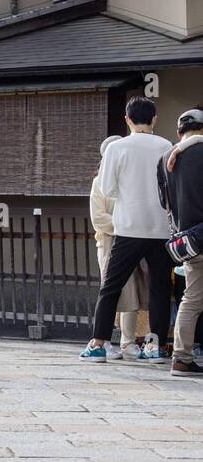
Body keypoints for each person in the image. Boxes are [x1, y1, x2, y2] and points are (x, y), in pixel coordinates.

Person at [82, 97, 174, 363]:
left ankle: (98, 344)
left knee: (111, 286)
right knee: (159, 288)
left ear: (127, 119)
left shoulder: (118, 148)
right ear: (154, 119)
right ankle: (155, 346)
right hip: (160, 228)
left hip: (128, 228)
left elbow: (108, 188)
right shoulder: (166, 146)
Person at [90, 136, 150, 359]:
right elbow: (98, 218)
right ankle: (102, 341)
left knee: (133, 293)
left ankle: (128, 342)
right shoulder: (98, 182)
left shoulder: (129, 181)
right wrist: (126, 225)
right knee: (112, 291)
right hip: (109, 242)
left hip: (130, 240)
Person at [163, 109, 203, 376]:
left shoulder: (166, 159)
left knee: (191, 299)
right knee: (193, 300)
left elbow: (164, 203)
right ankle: (182, 357)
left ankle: (181, 357)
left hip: (188, 241)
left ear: (179, 133)